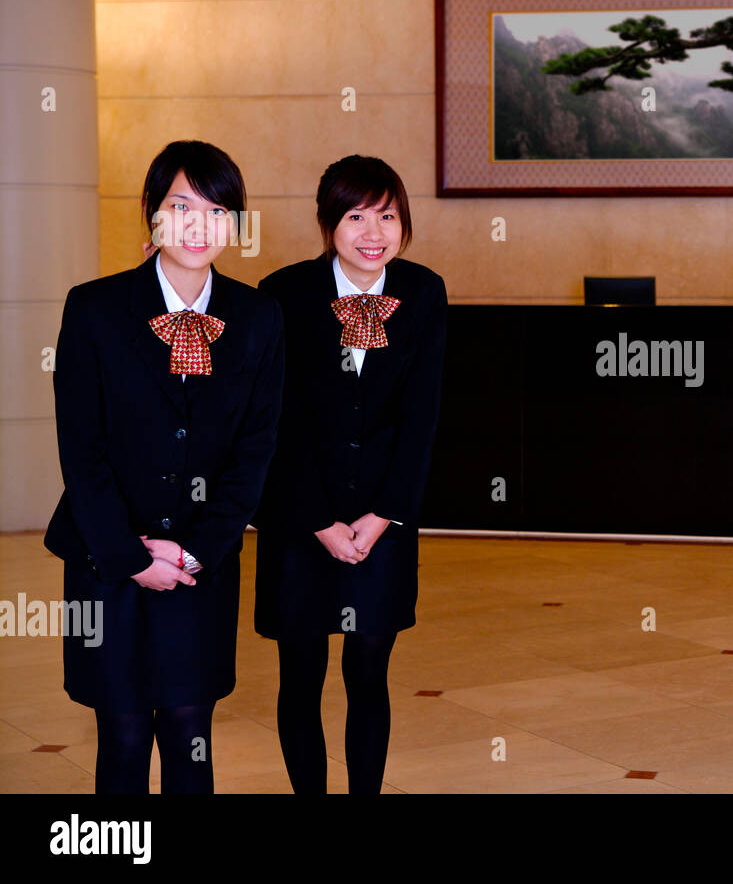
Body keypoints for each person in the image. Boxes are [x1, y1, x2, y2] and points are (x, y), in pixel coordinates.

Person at [44, 139, 285, 793]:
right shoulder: (94, 310)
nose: (198, 225)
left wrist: (194, 552)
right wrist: (131, 555)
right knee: (122, 740)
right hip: (107, 561)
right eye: (181, 206)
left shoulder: (259, 318)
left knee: (189, 733)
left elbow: (254, 452)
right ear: (150, 212)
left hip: (198, 568)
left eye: (216, 210)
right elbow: (82, 452)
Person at [253, 155, 448, 793]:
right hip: (299, 522)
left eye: (387, 215)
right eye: (356, 215)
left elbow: (422, 417)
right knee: (300, 674)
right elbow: (275, 420)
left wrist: (383, 514)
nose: (373, 231)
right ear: (328, 223)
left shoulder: (423, 292)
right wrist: (318, 520)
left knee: (369, 670)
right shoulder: (284, 294)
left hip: (380, 525)